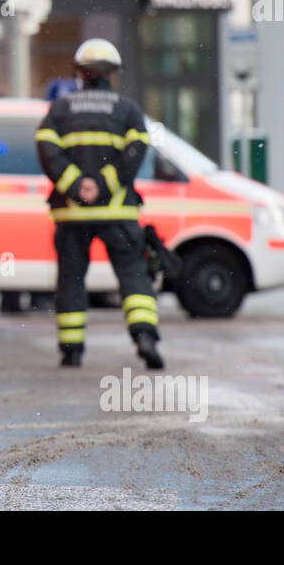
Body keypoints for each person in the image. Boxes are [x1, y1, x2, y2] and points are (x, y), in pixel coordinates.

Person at [36, 38, 165, 370]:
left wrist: (77, 186)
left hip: (71, 214)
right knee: (134, 276)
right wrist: (106, 184)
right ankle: (144, 337)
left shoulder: (60, 110)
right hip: (119, 214)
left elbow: (47, 150)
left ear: (80, 72)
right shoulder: (127, 110)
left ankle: (72, 350)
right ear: (112, 74)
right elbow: (136, 152)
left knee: (71, 280)